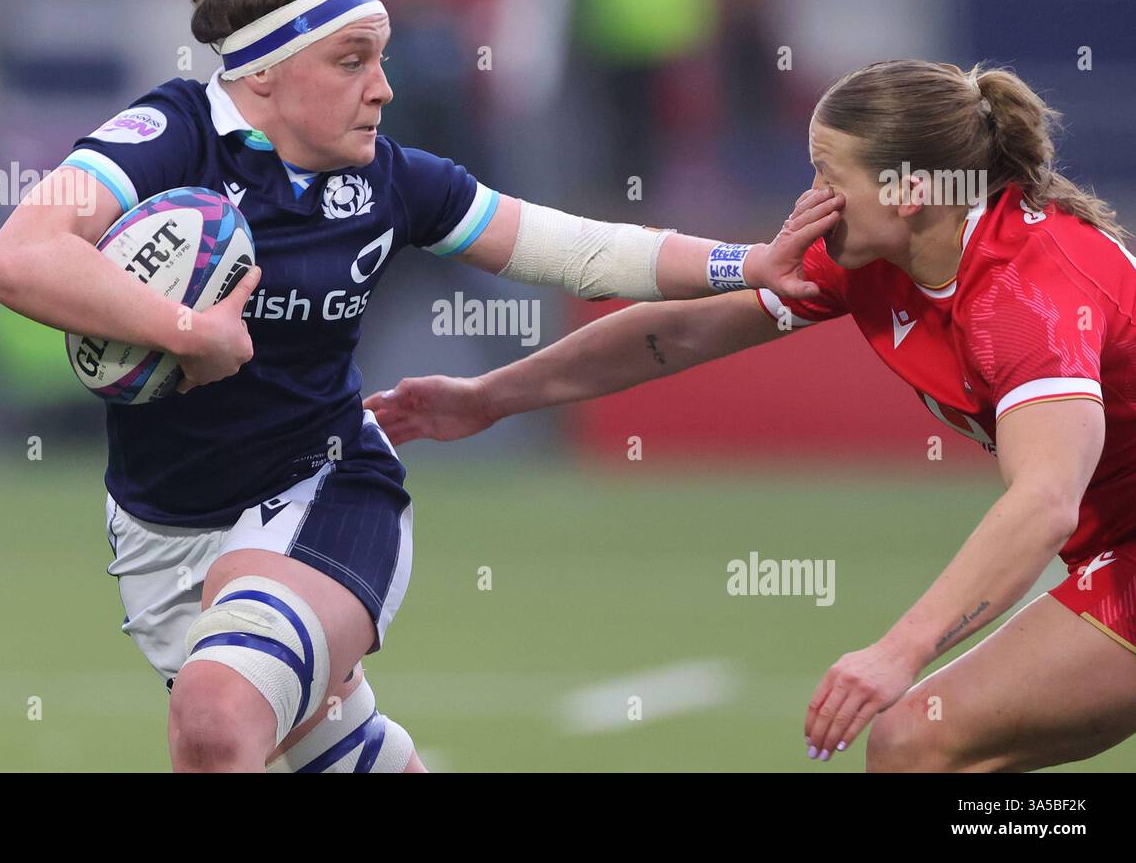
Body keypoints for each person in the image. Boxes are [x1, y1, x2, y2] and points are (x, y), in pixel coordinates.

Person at [0, 0, 841, 773]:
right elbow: (20, 257)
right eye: (354, 61)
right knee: (330, 756)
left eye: (382, 60)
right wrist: (187, 329)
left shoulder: (391, 180)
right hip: (160, 530)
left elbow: (575, 248)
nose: (384, 89)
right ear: (266, 73)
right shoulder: (168, 134)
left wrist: (746, 263)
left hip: (324, 488)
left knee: (215, 720)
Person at [367, 59, 1136, 772]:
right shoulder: (881, 255)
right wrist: (491, 396)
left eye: (828, 175)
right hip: (1113, 550)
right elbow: (683, 328)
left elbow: (1042, 502)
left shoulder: (1026, 293)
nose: (810, 198)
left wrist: (900, 650)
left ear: (906, 192)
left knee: (918, 740)